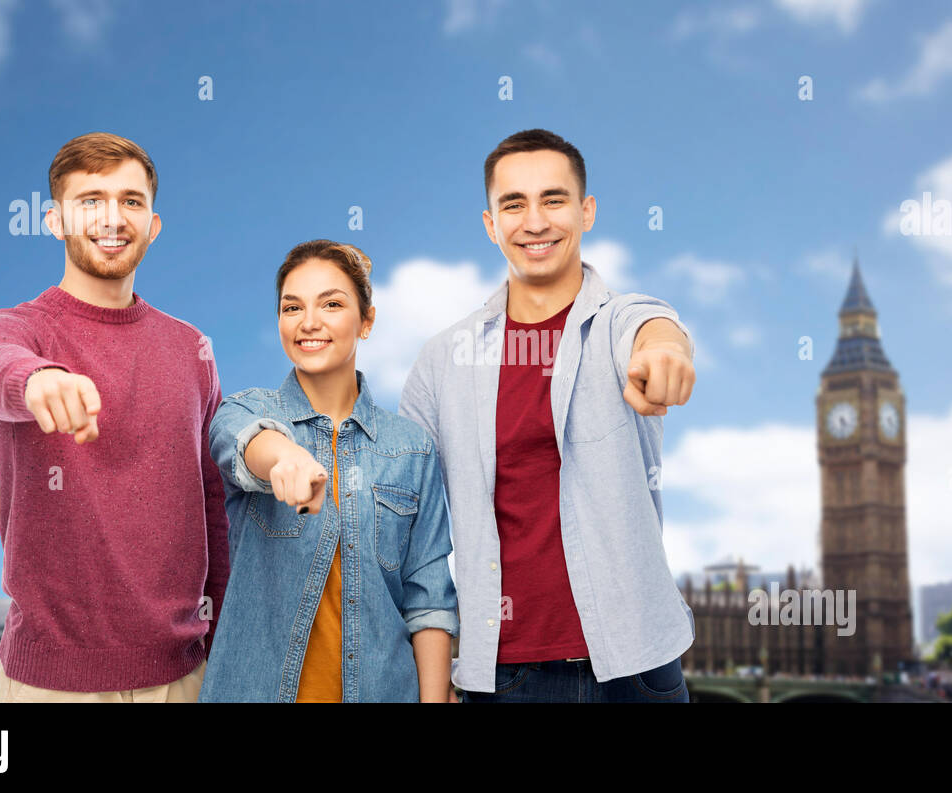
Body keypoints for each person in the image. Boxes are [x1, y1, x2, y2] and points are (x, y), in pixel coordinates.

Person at [272, 130, 698, 702]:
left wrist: (665, 351)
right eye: (513, 204)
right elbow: (406, 516)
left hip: (638, 667)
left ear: (587, 211)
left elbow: (654, 327)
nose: (535, 221)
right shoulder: (444, 361)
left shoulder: (624, 325)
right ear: (490, 224)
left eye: (554, 199)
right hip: (503, 676)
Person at [0, 132, 228, 702]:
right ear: (55, 220)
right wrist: (38, 380)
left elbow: (214, 505)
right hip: (47, 686)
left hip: (184, 680)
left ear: (153, 224)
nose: (113, 217)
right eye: (91, 200)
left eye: (131, 200)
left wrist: (226, 646)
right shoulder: (14, 330)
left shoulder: (192, 350)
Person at [197, 240, 458, 703]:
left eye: (332, 304)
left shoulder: (412, 448)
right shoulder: (243, 409)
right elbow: (242, 443)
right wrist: (285, 457)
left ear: (367, 321)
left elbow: (429, 601)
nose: (308, 322)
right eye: (291, 307)